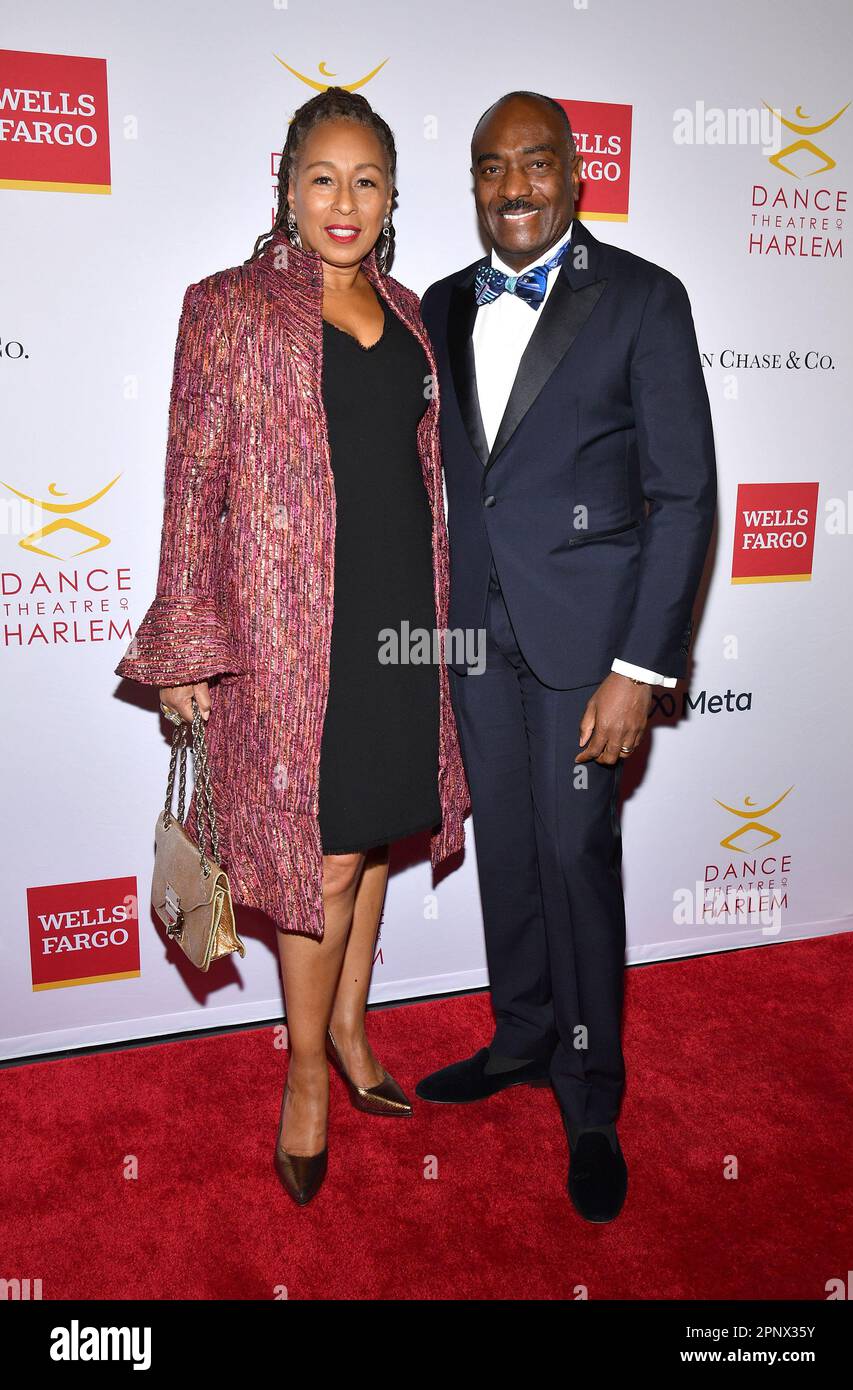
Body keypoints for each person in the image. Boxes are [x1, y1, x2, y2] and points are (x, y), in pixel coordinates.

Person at [115, 88, 469, 1207]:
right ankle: (307, 1073)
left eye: (367, 181)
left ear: (394, 197)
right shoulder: (223, 310)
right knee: (318, 858)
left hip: (402, 620)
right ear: (287, 184)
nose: (344, 202)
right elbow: (193, 488)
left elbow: (420, 476)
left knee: (372, 842)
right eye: (323, 177)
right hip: (284, 635)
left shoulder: (411, 315)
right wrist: (184, 646)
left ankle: (356, 1031)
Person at [417, 91, 717, 1222]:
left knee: (575, 852)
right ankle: (523, 1034)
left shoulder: (641, 297)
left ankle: (590, 1093)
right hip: (474, 642)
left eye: (534, 164)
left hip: (590, 653)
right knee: (507, 854)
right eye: (492, 167)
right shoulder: (442, 305)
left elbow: (685, 495)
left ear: (576, 173)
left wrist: (640, 672)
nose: (513, 188)